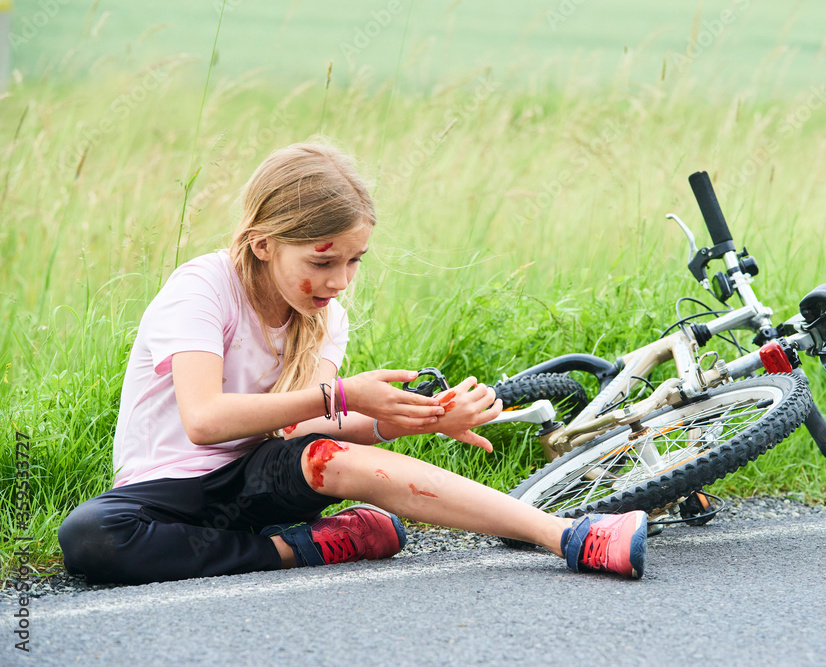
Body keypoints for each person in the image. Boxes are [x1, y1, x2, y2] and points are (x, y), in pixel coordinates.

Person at [58, 142, 648, 584]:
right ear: (263, 243)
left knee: (329, 456)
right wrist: (342, 395)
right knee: (89, 538)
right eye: (321, 260)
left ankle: (569, 535)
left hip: (259, 479)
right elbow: (204, 421)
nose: (338, 281)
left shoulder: (324, 315)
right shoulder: (202, 290)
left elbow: (307, 431)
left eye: (354, 261)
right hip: (165, 494)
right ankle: (299, 548)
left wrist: (411, 418)